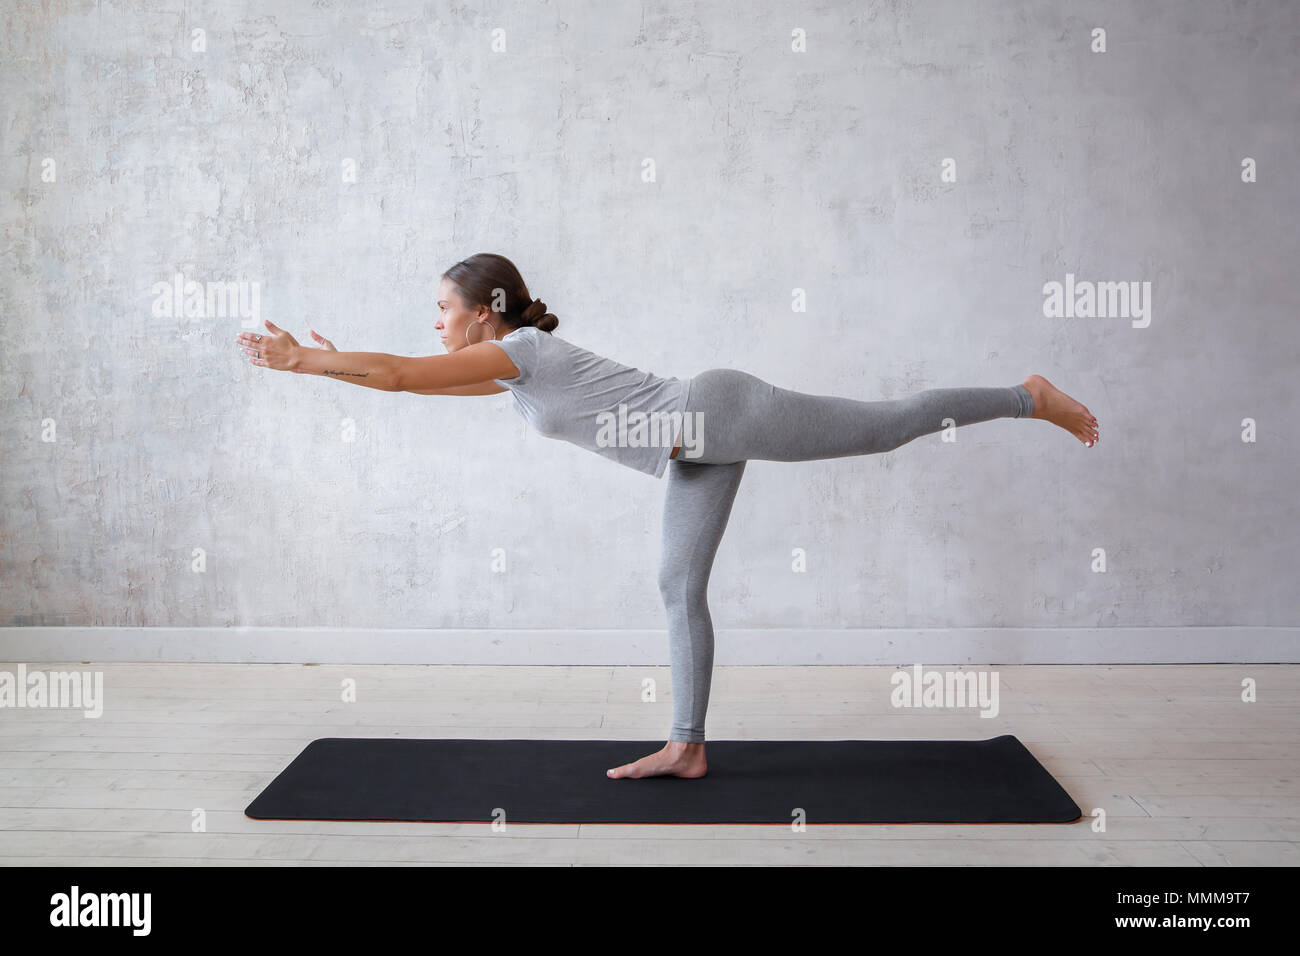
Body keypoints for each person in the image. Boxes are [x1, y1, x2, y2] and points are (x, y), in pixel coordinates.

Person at [235, 252, 1099, 781]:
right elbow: (403, 381)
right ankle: (687, 746)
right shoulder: (506, 374)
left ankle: (1028, 396)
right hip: (692, 451)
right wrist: (321, 366)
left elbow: (401, 371)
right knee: (676, 587)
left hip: (716, 413)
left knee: (883, 428)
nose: (436, 320)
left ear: (488, 310)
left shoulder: (520, 351)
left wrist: (313, 360)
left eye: (444, 308)